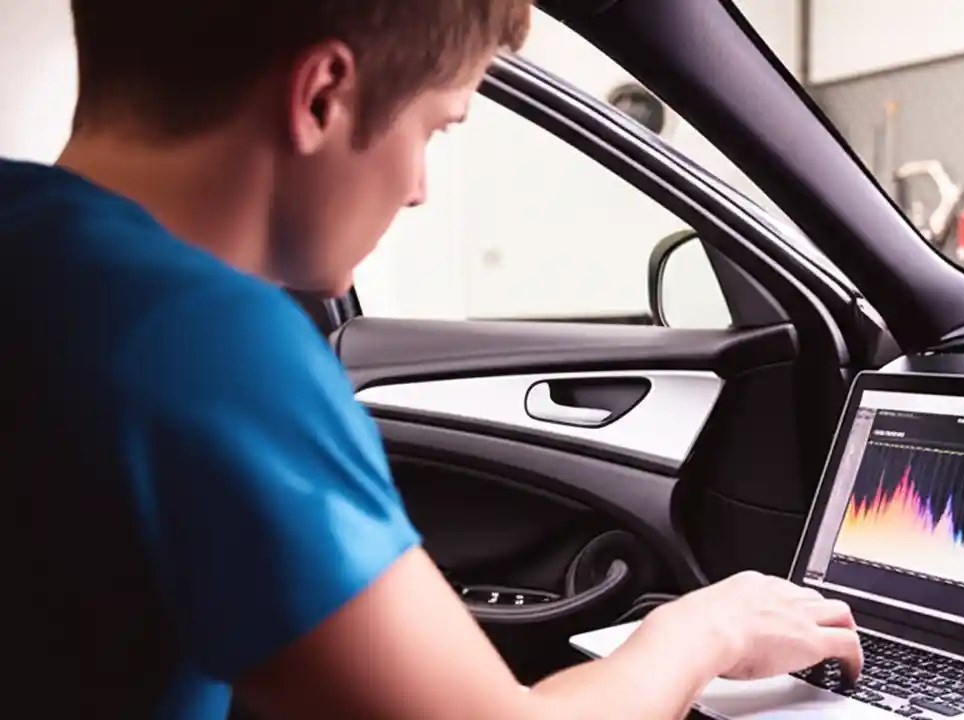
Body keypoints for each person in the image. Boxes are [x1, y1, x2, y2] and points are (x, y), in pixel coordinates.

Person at [3, 1, 863, 718]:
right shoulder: (202, 342)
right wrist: (706, 631)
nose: (417, 186)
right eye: (436, 127)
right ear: (322, 96)